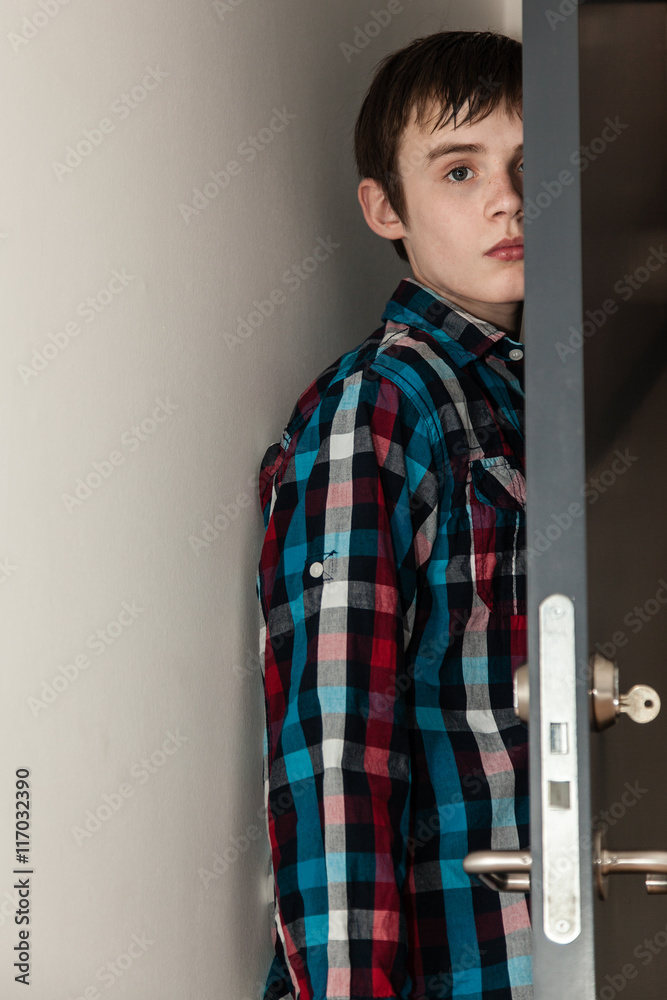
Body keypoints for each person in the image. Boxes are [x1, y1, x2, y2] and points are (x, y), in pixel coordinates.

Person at [256, 29, 530, 1000]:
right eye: (460, 170)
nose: (507, 198)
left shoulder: (539, 394)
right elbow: (335, 745)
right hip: (457, 966)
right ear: (384, 209)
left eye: (529, 163)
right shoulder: (378, 404)